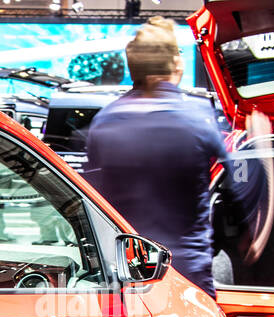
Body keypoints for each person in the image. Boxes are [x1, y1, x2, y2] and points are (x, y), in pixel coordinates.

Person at [84, 17, 232, 297]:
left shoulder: (105, 121)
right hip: (187, 276)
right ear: (177, 64)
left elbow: (93, 201)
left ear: (133, 68)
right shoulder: (198, 119)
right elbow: (240, 185)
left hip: (125, 274)